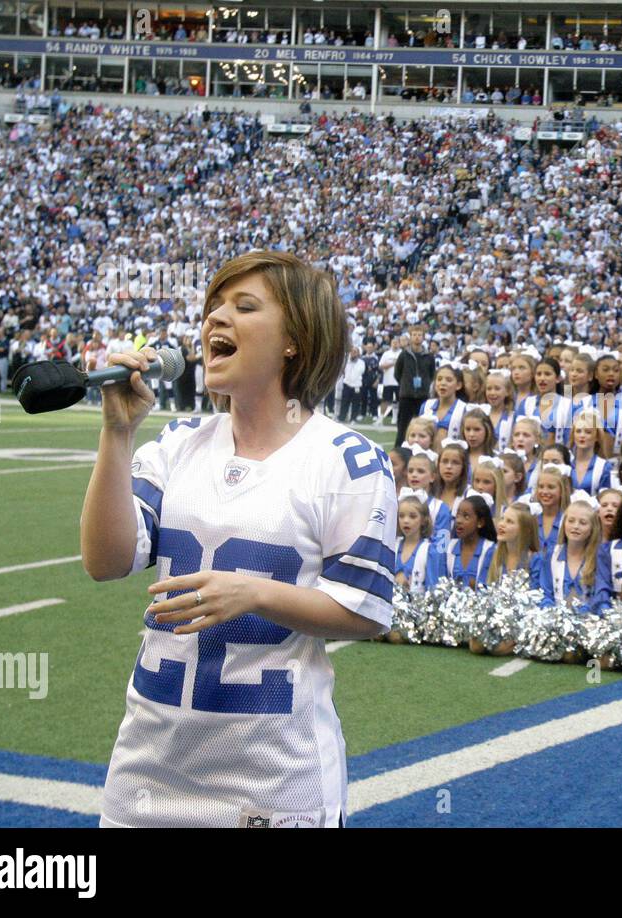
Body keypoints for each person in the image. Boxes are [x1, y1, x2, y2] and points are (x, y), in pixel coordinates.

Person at [81, 250, 398, 828]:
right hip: (147, 771)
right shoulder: (179, 444)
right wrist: (117, 434)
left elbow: (365, 610)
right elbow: (105, 561)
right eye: (214, 306)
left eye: (244, 307)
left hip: (274, 782)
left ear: (293, 340)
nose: (215, 320)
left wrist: (253, 595)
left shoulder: (346, 461)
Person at [394, 325, 437, 445]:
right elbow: (398, 373)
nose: (417, 337)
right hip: (406, 395)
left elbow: (432, 373)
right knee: (403, 427)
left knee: (422, 426)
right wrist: (406, 384)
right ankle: (400, 449)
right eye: (414, 335)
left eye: (419, 335)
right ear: (410, 337)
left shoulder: (429, 356)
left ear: (423, 337)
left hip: (423, 396)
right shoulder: (404, 355)